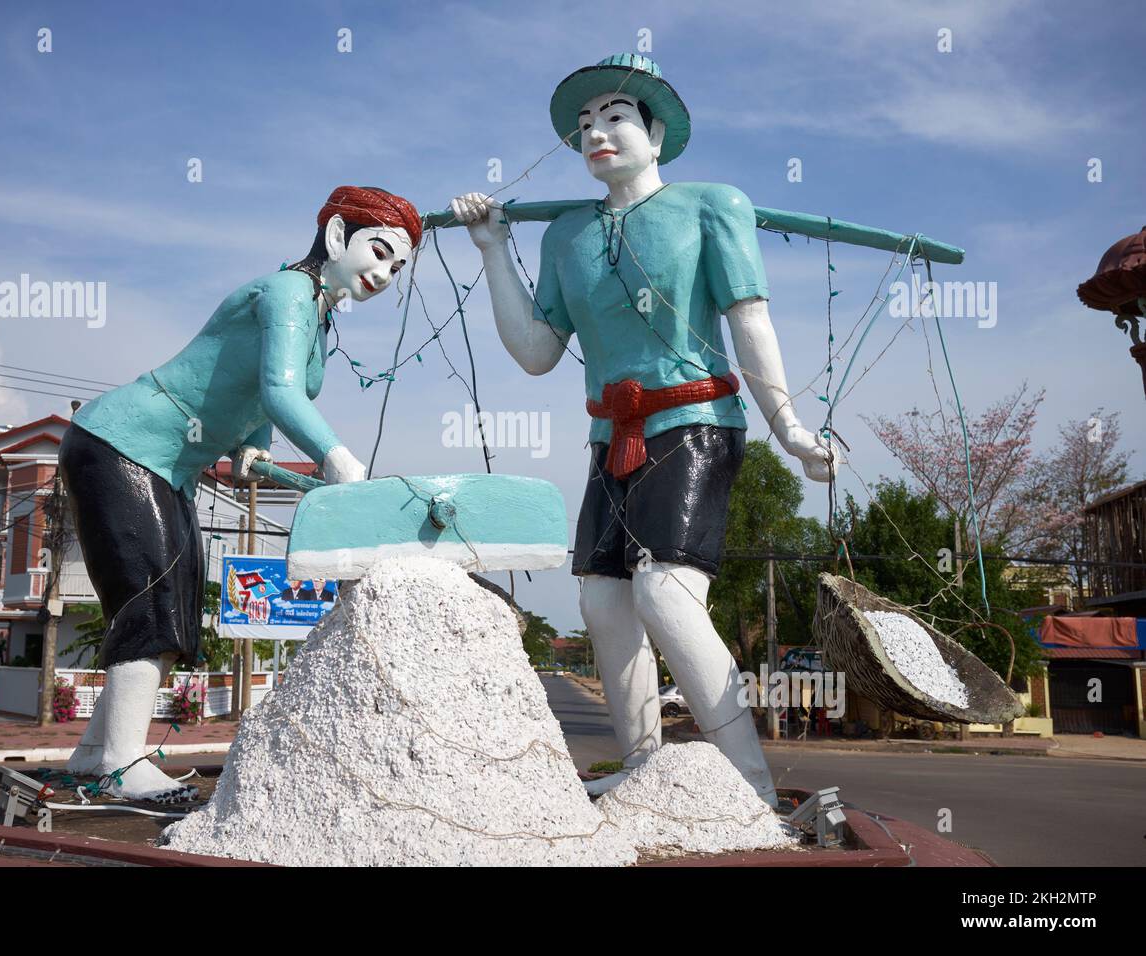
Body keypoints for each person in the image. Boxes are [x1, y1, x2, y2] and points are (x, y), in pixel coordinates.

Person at [450, 55, 841, 804]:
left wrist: (788, 425)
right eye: (586, 124)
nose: (597, 132)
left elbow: (749, 319)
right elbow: (536, 352)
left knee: (665, 591)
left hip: (693, 421)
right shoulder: (564, 237)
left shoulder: (710, 206)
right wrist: (494, 250)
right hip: (610, 433)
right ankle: (641, 768)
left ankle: (748, 786)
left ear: (656, 134)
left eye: (617, 116)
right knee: (602, 601)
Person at [59, 186, 421, 800]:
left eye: (397, 267)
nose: (384, 275)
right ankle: (122, 766)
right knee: (150, 600)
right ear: (336, 237)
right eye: (379, 252)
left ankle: (95, 755)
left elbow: (256, 393)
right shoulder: (286, 292)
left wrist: (250, 444)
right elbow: (283, 390)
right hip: (122, 443)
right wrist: (337, 458)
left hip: (168, 466)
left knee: (172, 601)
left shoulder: (318, 313)